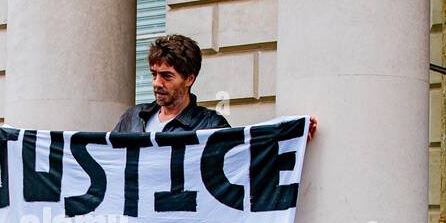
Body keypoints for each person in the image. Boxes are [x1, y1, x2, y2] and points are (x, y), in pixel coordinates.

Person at [112, 33, 318, 140]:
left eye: (167, 76)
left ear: (189, 79)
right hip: (137, 221)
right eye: (154, 74)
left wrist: (291, 135)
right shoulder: (133, 117)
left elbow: (245, 155)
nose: (157, 83)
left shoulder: (209, 125)